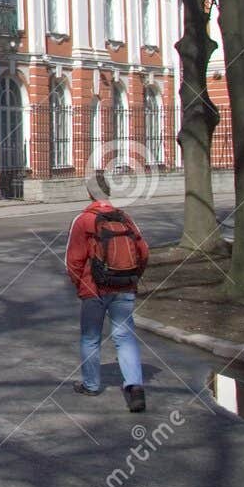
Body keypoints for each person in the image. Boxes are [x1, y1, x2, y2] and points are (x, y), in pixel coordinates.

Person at [65, 173, 149, 412]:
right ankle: (135, 387)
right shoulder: (125, 218)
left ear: (89, 193)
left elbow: (73, 260)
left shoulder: (83, 220)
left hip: (94, 288)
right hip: (124, 285)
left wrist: (80, 286)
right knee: (125, 337)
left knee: (91, 337)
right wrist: (133, 277)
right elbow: (143, 251)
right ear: (109, 191)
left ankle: (91, 385)